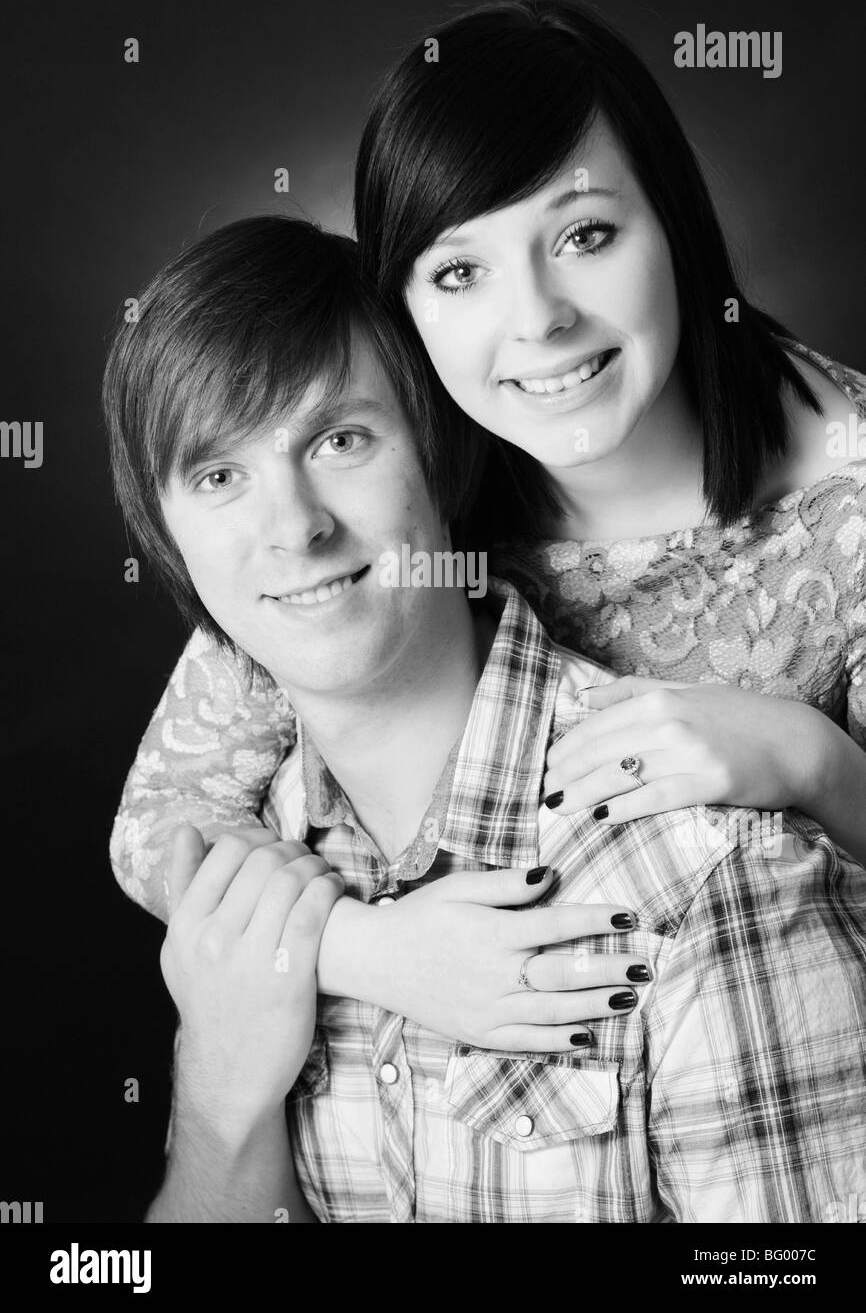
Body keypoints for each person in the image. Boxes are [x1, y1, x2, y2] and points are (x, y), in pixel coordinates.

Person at [110, 0, 866, 1043]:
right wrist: (375, 952)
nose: (537, 319)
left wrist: (816, 765)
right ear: (405, 301)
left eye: (586, 234)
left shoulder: (849, 501)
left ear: (674, 226)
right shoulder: (395, 471)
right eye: (460, 271)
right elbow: (157, 823)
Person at [103, 215, 866, 1223]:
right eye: (218, 477)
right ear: (168, 536)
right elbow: (150, 822)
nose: (293, 528)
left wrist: (822, 767)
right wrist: (226, 1090)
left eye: (341, 439)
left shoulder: (703, 875)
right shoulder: (254, 863)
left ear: (440, 452)